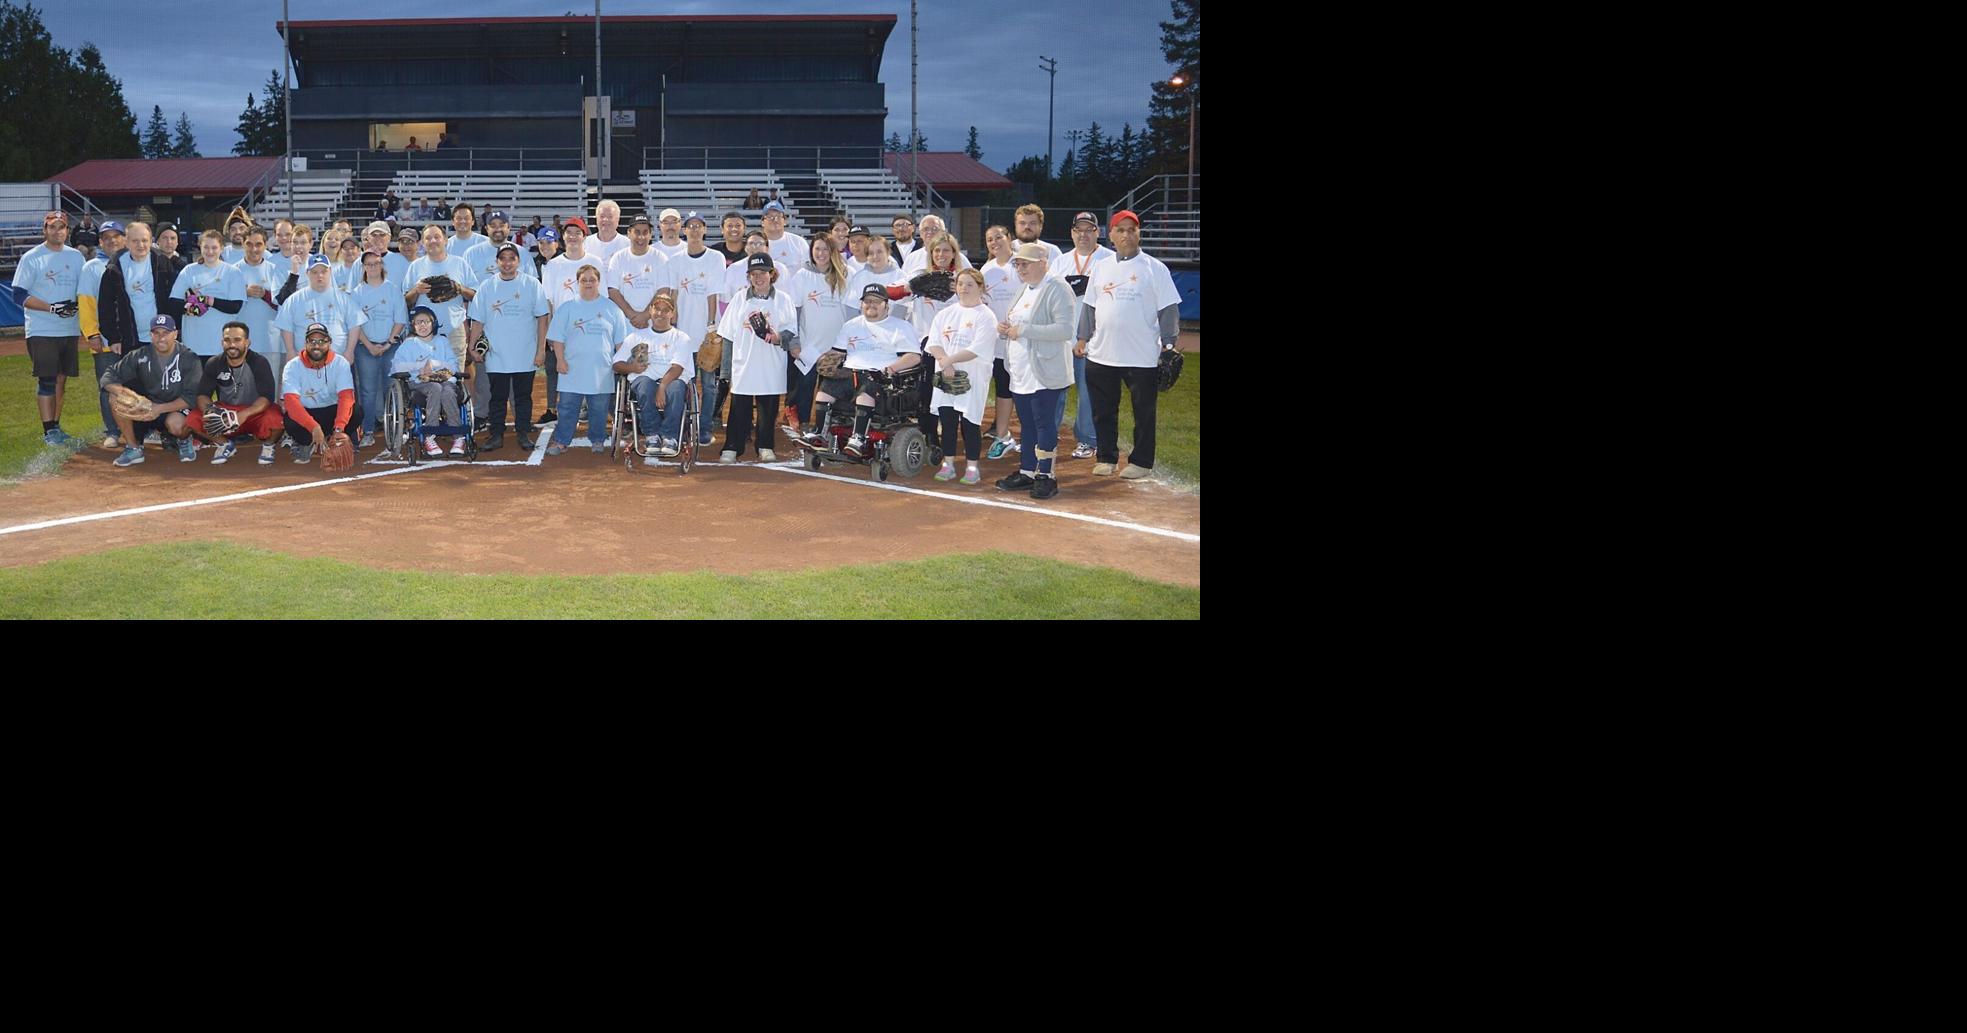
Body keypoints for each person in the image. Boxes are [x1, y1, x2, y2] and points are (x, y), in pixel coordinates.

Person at [1079, 210, 1180, 481]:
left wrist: (1169, 345)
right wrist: (1082, 337)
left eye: (1131, 230)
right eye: (1120, 230)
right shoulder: (1100, 267)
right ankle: (1106, 457)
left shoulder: (1154, 268)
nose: (1126, 234)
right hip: (1102, 353)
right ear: (1110, 235)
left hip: (1142, 355)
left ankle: (1142, 461)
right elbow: (1089, 307)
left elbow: (1169, 308)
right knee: (1103, 411)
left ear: (1139, 233)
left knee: (1144, 413)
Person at [995, 242, 1076, 500]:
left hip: (1045, 370)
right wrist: (1007, 328)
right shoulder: (1024, 289)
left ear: (1043, 262)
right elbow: (1020, 323)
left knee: (1044, 423)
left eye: (1025, 264)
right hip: (1021, 370)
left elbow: (1064, 330)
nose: (1020, 268)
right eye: (1018, 264)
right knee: (1028, 424)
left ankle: (1046, 475)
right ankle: (1028, 470)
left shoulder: (1057, 288)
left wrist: (1024, 331)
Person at [799, 284, 918, 457]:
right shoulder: (851, 325)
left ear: (886, 304)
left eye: (876, 301)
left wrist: (891, 368)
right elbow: (837, 353)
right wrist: (821, 360)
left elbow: (914, 356)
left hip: (879, 376)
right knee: (825, 389)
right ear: (861, 304)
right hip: (850, 373)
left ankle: (859, 437)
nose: (871, 305)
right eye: (867, 301)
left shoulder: (900, 326)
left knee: (867, 389)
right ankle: (819, 434)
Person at [714, 253, 799, 463]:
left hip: (771, 362)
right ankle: (733, 446)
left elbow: (791, 331)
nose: (758, 278)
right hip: (744, 361)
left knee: (768, 406)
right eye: (753, 274)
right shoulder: (739, 298)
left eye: (762, 273)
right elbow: (727, 334)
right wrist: (726, 370)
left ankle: (765, 445)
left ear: (772, 274)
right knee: (739, 406)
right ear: (748, 276)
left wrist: (778, 337)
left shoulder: (783, 299)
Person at [12, 210, 87, 445]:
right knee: (47, 380)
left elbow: (83, 290)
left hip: (69, 329)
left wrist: (77, 307)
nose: (57, 231)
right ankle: (48, 431)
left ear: (67, 230)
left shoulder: (76, 257)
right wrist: (52, 308)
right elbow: (19, 294)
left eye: (61, 227)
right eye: (52, 227)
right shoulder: (33, 257)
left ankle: (56, 426)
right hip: (42, 328)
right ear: (45, 230)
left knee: (61, 380)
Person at [468, 241, 551, 451]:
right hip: (497, 353)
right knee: (497, 398)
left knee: (523, 397)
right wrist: (472, 346)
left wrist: (541, 349)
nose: (507, 263)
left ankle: (523, 433)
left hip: (525, 352)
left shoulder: (531, 284)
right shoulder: (487, 287)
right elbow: (477, 320)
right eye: (502, 259)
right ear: (496, 262)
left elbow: (542, 318)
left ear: (518, 261)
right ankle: (496, 434)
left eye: (511, 259)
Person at [543, 264, 629, 456]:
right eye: (584, 280)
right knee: (566, 407)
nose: (588, 283)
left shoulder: (611, 308)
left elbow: (620, 341)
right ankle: (561, 441)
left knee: (598, 409)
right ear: (577, 282)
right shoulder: (567, 307)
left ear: (599, 282)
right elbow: (557, 337)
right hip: (572, 368)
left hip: (601, 369)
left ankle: (597, 438)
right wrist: (560, 360)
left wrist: (619, 363)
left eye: (592, 280)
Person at [1050, 211, 1115, 460]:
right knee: (1056, 388)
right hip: (1063, 337)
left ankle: (1088, 439)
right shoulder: (1061, 262)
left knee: (1089, 391)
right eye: (1079, 230)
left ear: (1098, 232)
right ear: (1072, 233)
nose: (1084, 235)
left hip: (1096, 338)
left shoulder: (1109, 260)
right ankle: (1049, 434)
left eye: (1089, 230)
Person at [101, 314, 202, 467]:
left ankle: (184, 439)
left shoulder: (189, 358)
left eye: (166, 333)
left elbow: (192, 398)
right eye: (157, 333)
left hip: (175, 408)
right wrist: (128, 395)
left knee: (176, 425)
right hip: (146, 406)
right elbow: (108, 376)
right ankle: (133, 448)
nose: (161, 338)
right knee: (115, 397)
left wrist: (159, 409)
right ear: (150, 335)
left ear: (175, 334)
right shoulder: (140, 355)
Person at [926, 269, 996, 485]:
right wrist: (944, 360)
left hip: (972, 377)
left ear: (980, 288)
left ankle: (972, 466)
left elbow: (978, 348)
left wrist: (949, 361)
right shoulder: (945, 313)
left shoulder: (986, 316)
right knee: (947, 421)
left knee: (969, 422)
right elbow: (934, 342)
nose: (964, 289)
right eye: (960, 284)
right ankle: (948, 464)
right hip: (946, 374)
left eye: (969, 285)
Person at [784, 233, 851, 439]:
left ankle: (833, 427)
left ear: (832, 252)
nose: (821, 253)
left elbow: (852, 311)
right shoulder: (802, 276)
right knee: (805, 387)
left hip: (836, 347)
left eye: (825, 249)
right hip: (809, 346)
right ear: (811, 251)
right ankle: (803, 423)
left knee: (834, 389)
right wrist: (794, 343)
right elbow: (792, 312)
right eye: (817, 249)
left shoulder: (845, 274)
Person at [189, 321, 284, 465]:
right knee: (193, 419)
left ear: (247, 342)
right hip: (225, 412)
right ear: (222, 342)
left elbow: (266, 398)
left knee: (277, 420)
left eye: (237, 340)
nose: (232, 345)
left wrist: (243, 415)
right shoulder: (214, 363)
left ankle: (269, 445)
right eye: (227, 340)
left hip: (253, 412)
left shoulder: (259, 362)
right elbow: (202, 395)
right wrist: (212, 411)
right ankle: (224, 444)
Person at [613, 288, 694, 456]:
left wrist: (662, 387)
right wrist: (633, 368)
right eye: (657, 309)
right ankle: (652, 435)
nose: (660, 313)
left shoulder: (681, 337)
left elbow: (677, 368)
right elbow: (617, 364)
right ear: (650, 311)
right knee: (644, 385)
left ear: (672, 314)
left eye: (666, 310)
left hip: (672, 380)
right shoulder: (636, 336)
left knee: (677, 389)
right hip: (645, 379)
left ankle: (670, 436)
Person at [670, 212, 726, 448]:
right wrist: (674, 327)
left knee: (709, 384)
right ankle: (686, 424)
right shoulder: (675, 260)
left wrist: (711, 327)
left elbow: (713, 293)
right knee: (685, 381)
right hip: (684, 332)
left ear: (704, 230)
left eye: (698, 226)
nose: (694, 230)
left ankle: (704, 427)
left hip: (706, 332)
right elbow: (673, 294)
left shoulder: (715, 258)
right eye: (690, 226)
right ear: (684, 230)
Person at [349, 248, 409, 449]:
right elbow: (355, 324)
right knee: (367, 391)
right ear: (363, 267)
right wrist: (369, 345)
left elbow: (400, 319)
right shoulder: (357, 292)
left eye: (376, 263)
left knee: (391, 387)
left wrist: (388, 343)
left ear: (382, 265)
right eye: (369, 264)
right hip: (365, 347)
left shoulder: (392, 289)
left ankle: (395, 429)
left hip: (390, 346)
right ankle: (367, 431)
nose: (373, 267)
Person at [392, 306, 468, 456]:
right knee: (435, 388)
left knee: (446, 390)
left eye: (426, 321)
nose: (422, 325)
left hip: (444, 381)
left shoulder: (443, 341)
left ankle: (458, 437)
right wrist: (420, 366)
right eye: (418, 322)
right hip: (418, 384)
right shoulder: (408, 344)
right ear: (413, 325)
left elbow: (453, 366)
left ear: (433, 323)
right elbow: (396, 367)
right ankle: (430, 435)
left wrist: (434, 364)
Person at [280, 322, 359, 465]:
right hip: (307, 412)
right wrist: (314, 427)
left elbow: (346, 398)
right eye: (312, 341)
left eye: (322, 341)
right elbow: (291, 403)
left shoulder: (341, 363)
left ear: (329, 342)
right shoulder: (292, 366)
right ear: (306, 343)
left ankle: (335, 439)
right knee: (290, 420)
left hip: (331, 411)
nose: (317, 345)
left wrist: (339, 428)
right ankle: (305, 443)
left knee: (357, 412)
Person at [78, 219, 127, 447]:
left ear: (124, 239)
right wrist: (92, 334)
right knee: (109, 386)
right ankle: (113, 431)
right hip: (105, 340)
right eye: (107, 237)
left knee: (137, 385)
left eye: (117, 236)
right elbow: (86, 303)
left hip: (133, 339)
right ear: (100, 242)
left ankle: (140, 428)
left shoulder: (132, 261)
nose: (112, 241)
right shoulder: (91, 268)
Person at [168, 230, 248, 360]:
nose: (210, 251)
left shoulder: (232, 272)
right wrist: (193, 307)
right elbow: (174, 303)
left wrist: (207, 300)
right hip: (193, 345)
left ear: (221, 248)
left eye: (214, 247)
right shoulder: (189, 271)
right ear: (200, 247)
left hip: (221, 346)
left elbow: (235, 307)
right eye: (206, 247)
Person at [979, 225, 1022, 459]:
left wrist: (1017, 326)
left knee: (1023, 389)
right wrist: (995, 325)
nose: (994, 242)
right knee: (1002, 387)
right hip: (996, 342)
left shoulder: (1021, 264)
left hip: (1021, 339)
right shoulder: (986, 270)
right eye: (989, 240)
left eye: (998, 237)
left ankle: (1030, 436)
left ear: (1009, 239)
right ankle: (1002, 435)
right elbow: (982, 304)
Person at [401, 224, 476, 359]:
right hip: (424, 331)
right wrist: (416, 291)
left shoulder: (460, 263)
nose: (433, 241)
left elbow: (475, 296)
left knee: (455, 377)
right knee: (425, 377)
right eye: (428, 238)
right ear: (423, 243)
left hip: (454, 329)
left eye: (437, 237)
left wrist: (460, 289)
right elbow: (406, 301)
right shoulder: (416, 266)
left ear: (445, 240)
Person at [274, 254, 355, 367]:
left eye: (323, 271)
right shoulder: (294, 299)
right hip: (304, 362)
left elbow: (355, 326)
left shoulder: (344, 298)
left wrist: (349, 351)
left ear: (330, 271)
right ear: (307, 273)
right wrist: (290, 351)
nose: (319, 276)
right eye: (314, 272)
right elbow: (286, 326)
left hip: (338, 361)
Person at [231, 226, 286, 367]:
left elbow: (283, 304)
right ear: (243, 244)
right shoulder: (233, 271)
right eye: (249, 244)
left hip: (269, 341)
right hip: (241, 342)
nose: (253, 249)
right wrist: (244, 293)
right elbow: (228, 305)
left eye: (258, 244)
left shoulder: (274, 270)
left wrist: (265, 295)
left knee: (269, 385)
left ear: (265, 245)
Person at [607, 215, 671, 332]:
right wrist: (631, 314)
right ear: (629, 233)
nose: (641, 237)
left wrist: (646, 315)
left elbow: (663, 290)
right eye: (637, 232)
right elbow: (613, 291)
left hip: (653, 324)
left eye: (645, 232)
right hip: (625, 324)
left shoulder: (660, 258)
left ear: (650, 234)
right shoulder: (618, 258)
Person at [903, 214, 972, 275]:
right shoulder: (911, 258)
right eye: (926, 229)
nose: (930, 232)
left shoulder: (959, 258)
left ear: (943, 232)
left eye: (935, 229)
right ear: (920, 234)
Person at [760, 200, 806, 272]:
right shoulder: (756, 243)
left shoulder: (798, 242)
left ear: (785, 221)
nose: (775, 220)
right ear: (762, 222)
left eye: (778, 216)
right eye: (769, 217)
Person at [587, 199, 628, 267]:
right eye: (602, 216)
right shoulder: (585, 243)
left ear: (618, 220)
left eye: (610, 217)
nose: (605, 220)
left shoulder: (627, 245)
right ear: (596, 219)